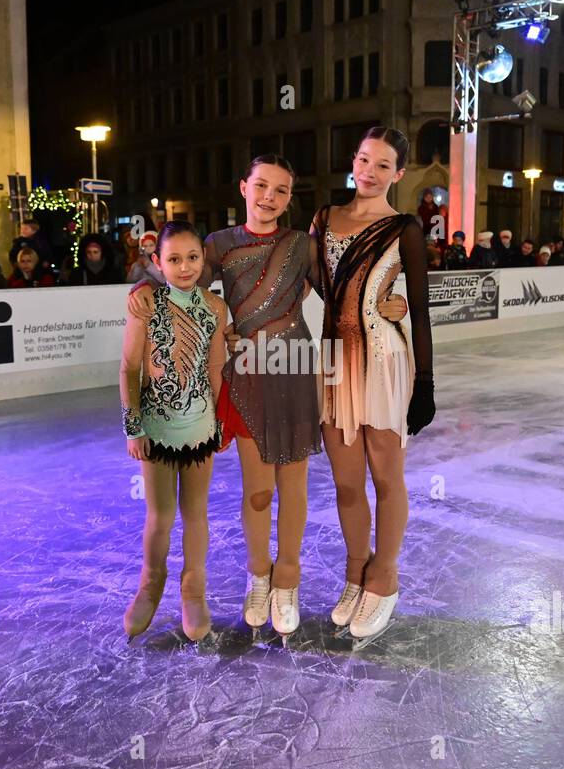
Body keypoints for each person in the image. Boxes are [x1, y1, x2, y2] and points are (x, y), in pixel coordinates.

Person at [126, 154, 410, 642]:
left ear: (288, 198)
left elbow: (344, 288)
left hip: (295, 369)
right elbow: (181, 270)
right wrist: (144, 286)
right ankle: (259, 577)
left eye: (280, 191)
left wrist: (388, 299)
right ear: (243, 187)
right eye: (261, 186)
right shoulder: (219, 244)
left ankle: (288, 581)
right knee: (257, 491)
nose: (269, 198)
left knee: (294, 488)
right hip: (248, 374)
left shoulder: (302, 244)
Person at [311, 126, 435, 642]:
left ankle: (384, 577)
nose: (369, 171)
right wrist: (363, 301)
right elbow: (319, 282)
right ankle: (355, 571)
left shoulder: (404, 227)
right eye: (364, 159)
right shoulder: (323, 219)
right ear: (353, 161)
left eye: (383, 165)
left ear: (398, 174)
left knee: (386, 477)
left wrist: (425, 382)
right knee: (345, 482)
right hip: (336, 363)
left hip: (384, 361)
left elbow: (422, 310)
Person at [119, 221, 229, 643]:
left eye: (193, 257)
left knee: (196, 513)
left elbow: (216, 367)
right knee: (161, 515)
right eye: (175, 259)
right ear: (157, 263)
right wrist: (133, 428)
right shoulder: (146, 302)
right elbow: (129, 368)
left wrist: (220, 422)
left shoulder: (215, 307)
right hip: (156, 429)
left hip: (200, 427)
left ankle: (193, 589)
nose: (185, 267)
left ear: (204, 259)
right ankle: (150, 584)